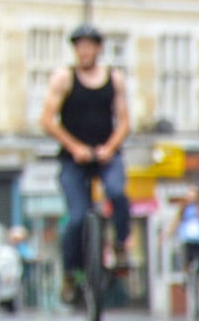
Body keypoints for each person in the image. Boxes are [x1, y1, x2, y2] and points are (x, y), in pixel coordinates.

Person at [40, 23, 131, 305]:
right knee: (77, 217)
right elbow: (47, 120)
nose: (85, 52)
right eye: (80, 47)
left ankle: (120, 245)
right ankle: (70, 273)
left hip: (106, 155)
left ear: (98, 49)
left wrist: (109, 148)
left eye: (89, 46)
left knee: (117, 192)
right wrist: (75, 147)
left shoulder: (114, 78)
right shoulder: (64, 78)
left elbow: (124, 122)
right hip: (74, 159)